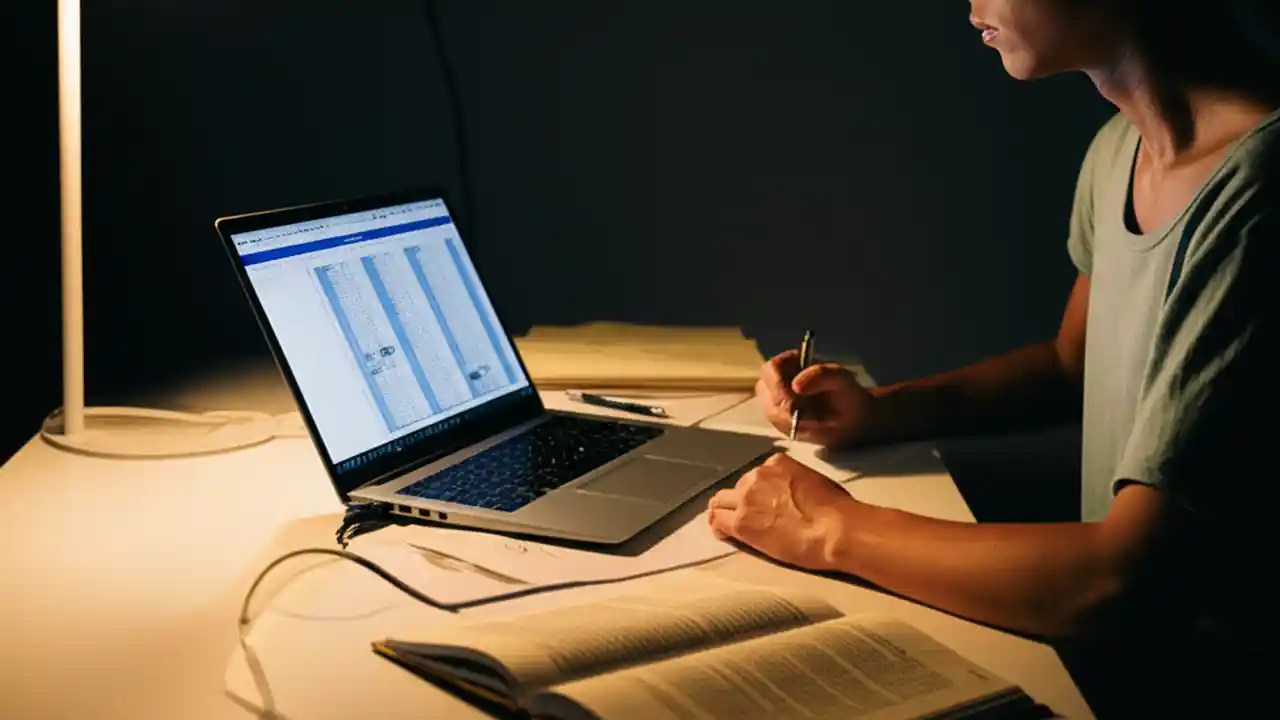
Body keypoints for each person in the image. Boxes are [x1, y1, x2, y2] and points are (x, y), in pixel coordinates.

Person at [707, 1, 1279, 715]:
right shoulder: (1119, 149)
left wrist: (829, 527)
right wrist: (880, 413)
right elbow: (1071, 366)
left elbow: (1121, 579)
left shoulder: (1260, 187)